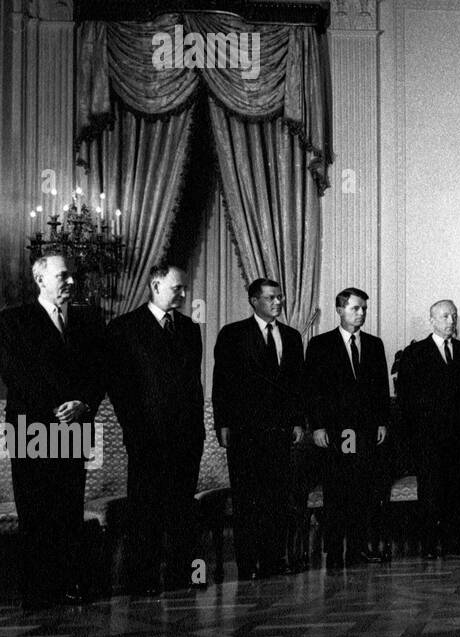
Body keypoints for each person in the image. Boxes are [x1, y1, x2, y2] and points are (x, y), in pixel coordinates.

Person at [0, 254, 106, 611]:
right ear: (40, 279)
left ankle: (69, 585)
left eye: (71, 276)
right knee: (36, 509)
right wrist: (55, 409)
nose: (70, 282)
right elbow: (16, 375)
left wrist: (83, 405)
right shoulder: (12, 320)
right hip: (31, 427)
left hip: (75, 423)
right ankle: (38, 591)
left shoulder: (87, 321)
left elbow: (98, 373)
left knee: (68, 507)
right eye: (62, 276)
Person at [105, 261, 205, 596]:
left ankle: (180, 576)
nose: (183, 293)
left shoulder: (190, 329)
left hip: (187, 438)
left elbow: (194, 386)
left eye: (184, 288)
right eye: (177, 287)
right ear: (156, 285)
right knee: (145, 510)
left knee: (181, 509)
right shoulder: (125, 328)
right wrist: (135, 430)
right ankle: (141, 581)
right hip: (147, 438)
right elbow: (119, 388)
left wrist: (197, 430)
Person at [212, 278, 306, 579]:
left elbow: (296, 385)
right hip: (245, 431)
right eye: (270, 298)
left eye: (280, 297)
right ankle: (248, 564)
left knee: (277, 498)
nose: (277, 303)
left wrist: (297, 421)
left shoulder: (291, 337)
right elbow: (222, 383)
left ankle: (273, 561)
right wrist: (222, 424)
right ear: (253, 300)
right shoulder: (233, 334)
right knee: (247, 500)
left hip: (280, 431)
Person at [304, 288, 390, 569]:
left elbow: (381, 389)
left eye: (364, 308)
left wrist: (382, 423)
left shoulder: (375, 345)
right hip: (334, 431)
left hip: (365, 431)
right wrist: (316, 427)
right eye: (355, 308)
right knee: (336, 491)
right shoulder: (320, 345)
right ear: (339, 310)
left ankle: (356, 550)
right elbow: (313, 390)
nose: (361, 313)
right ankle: (333, 553)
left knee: (362, 491)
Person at [394, 299, 460, 557]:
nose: (451, 321)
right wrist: (412, 439)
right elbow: (405, 400)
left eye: (454, 315)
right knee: (430, 492)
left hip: (458, 437)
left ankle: (456, 542)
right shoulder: (414, 353)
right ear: (431, 320)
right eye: (444, 316)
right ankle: (430, 545)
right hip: (427, 438)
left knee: (457, 490)